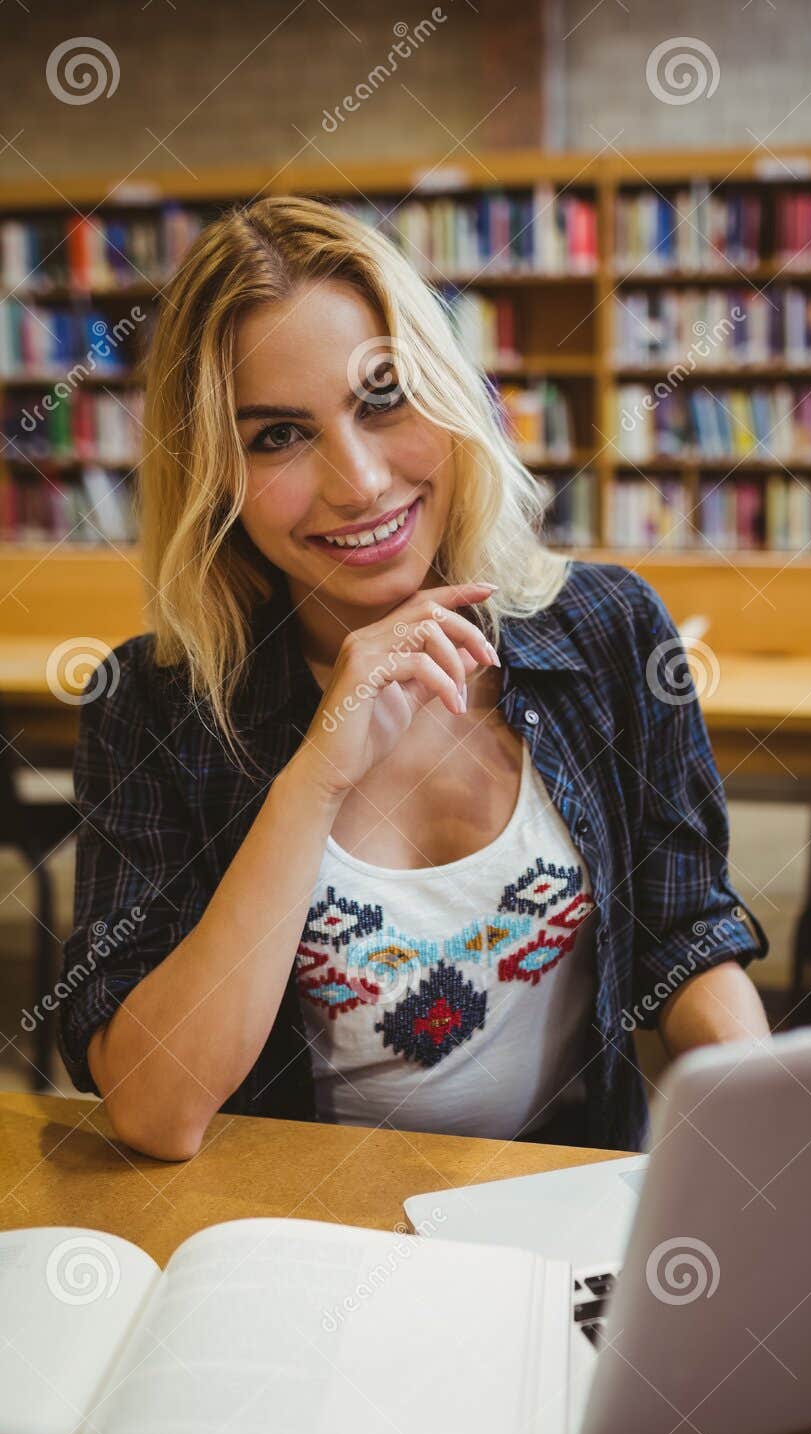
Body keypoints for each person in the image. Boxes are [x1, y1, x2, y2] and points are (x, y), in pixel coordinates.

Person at [57, 195, 769, 1162]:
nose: (357, 482)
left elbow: (684, 935)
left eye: (381, 398)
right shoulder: (153, 703)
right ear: (212, 475)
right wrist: (315, 777)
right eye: (276, 436)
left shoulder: (609, 631)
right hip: (294, 1220)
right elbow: (152, 1110)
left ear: (446, 394)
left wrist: (771, 1128)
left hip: (549, 1193)